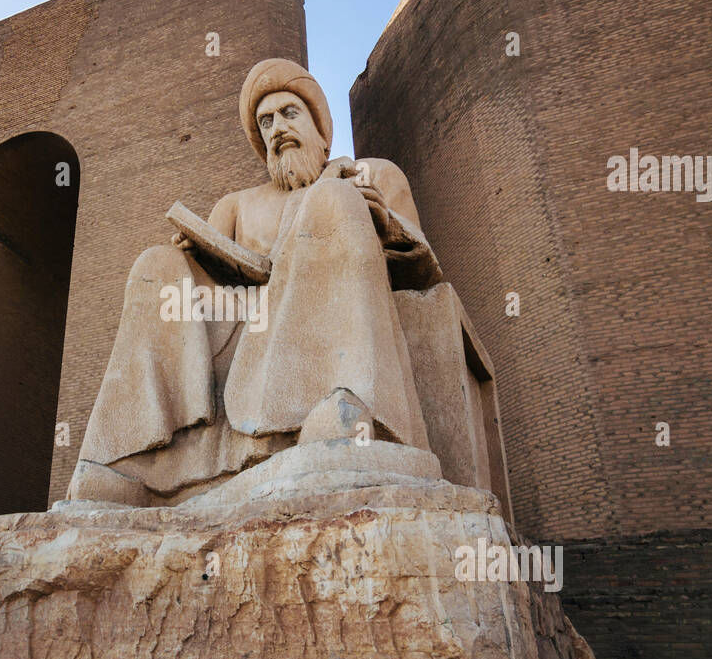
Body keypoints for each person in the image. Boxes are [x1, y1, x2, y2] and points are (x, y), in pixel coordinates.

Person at [68, 58, 440, 505]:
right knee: (156, 264)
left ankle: (340, 405)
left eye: (289, 113)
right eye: (266, 122)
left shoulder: (371, 174)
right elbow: (212, 279)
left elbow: (426, 273)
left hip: (327, 305)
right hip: (242, 320)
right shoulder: (237, 205)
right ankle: (134, 458)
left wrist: (383, 223)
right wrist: (194, 258)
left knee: (331, 197)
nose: (277, 127)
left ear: (321, 130)